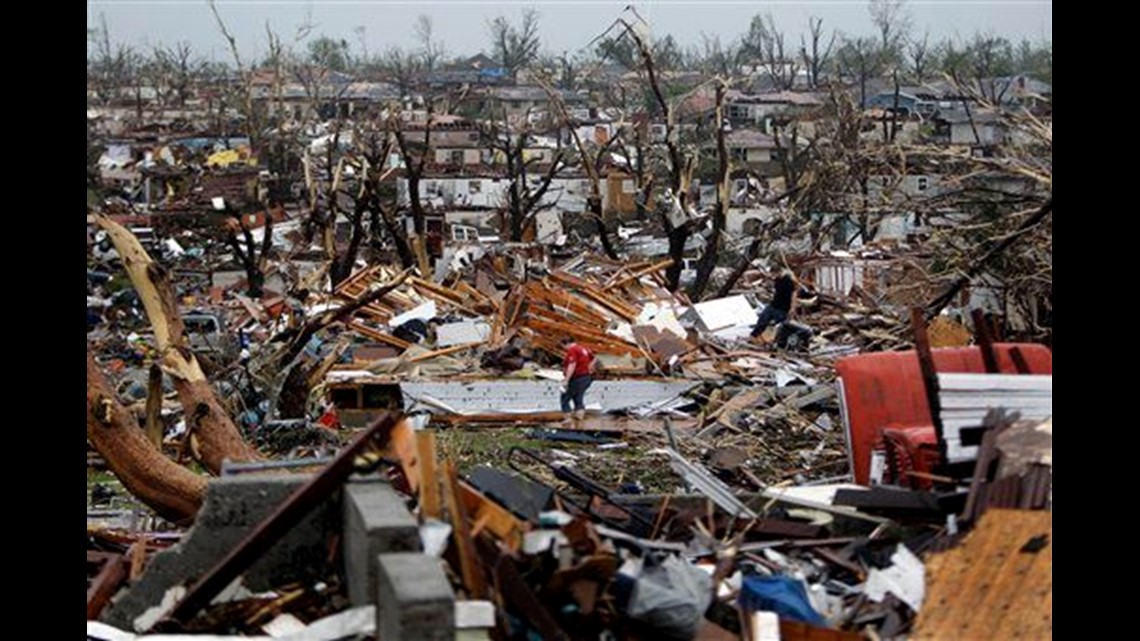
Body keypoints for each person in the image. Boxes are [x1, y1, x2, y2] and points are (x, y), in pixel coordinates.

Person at [751, 268, 797, 340]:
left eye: (774, 274)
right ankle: (753, 336)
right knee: (762, 319)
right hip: (774, 304)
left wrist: (792, 307)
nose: (773, 276)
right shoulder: (777, 280)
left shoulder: (788, 280)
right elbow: (776, 290)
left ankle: (779, 341)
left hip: (783, 308)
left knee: (780, 326)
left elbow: (794, 294)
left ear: (779, 272)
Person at [559, 336, 596, 422]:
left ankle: (567, 419)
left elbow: (572, 365)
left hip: (577, 378)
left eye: (563, 347)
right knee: (578, 398)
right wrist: (589, 368)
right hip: (586, 378)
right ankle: (579, 419)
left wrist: (566, 380)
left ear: (566, 344)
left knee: (564, 398)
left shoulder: (573, 350)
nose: (565, 349)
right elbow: (594, 358)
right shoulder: (583, 349)